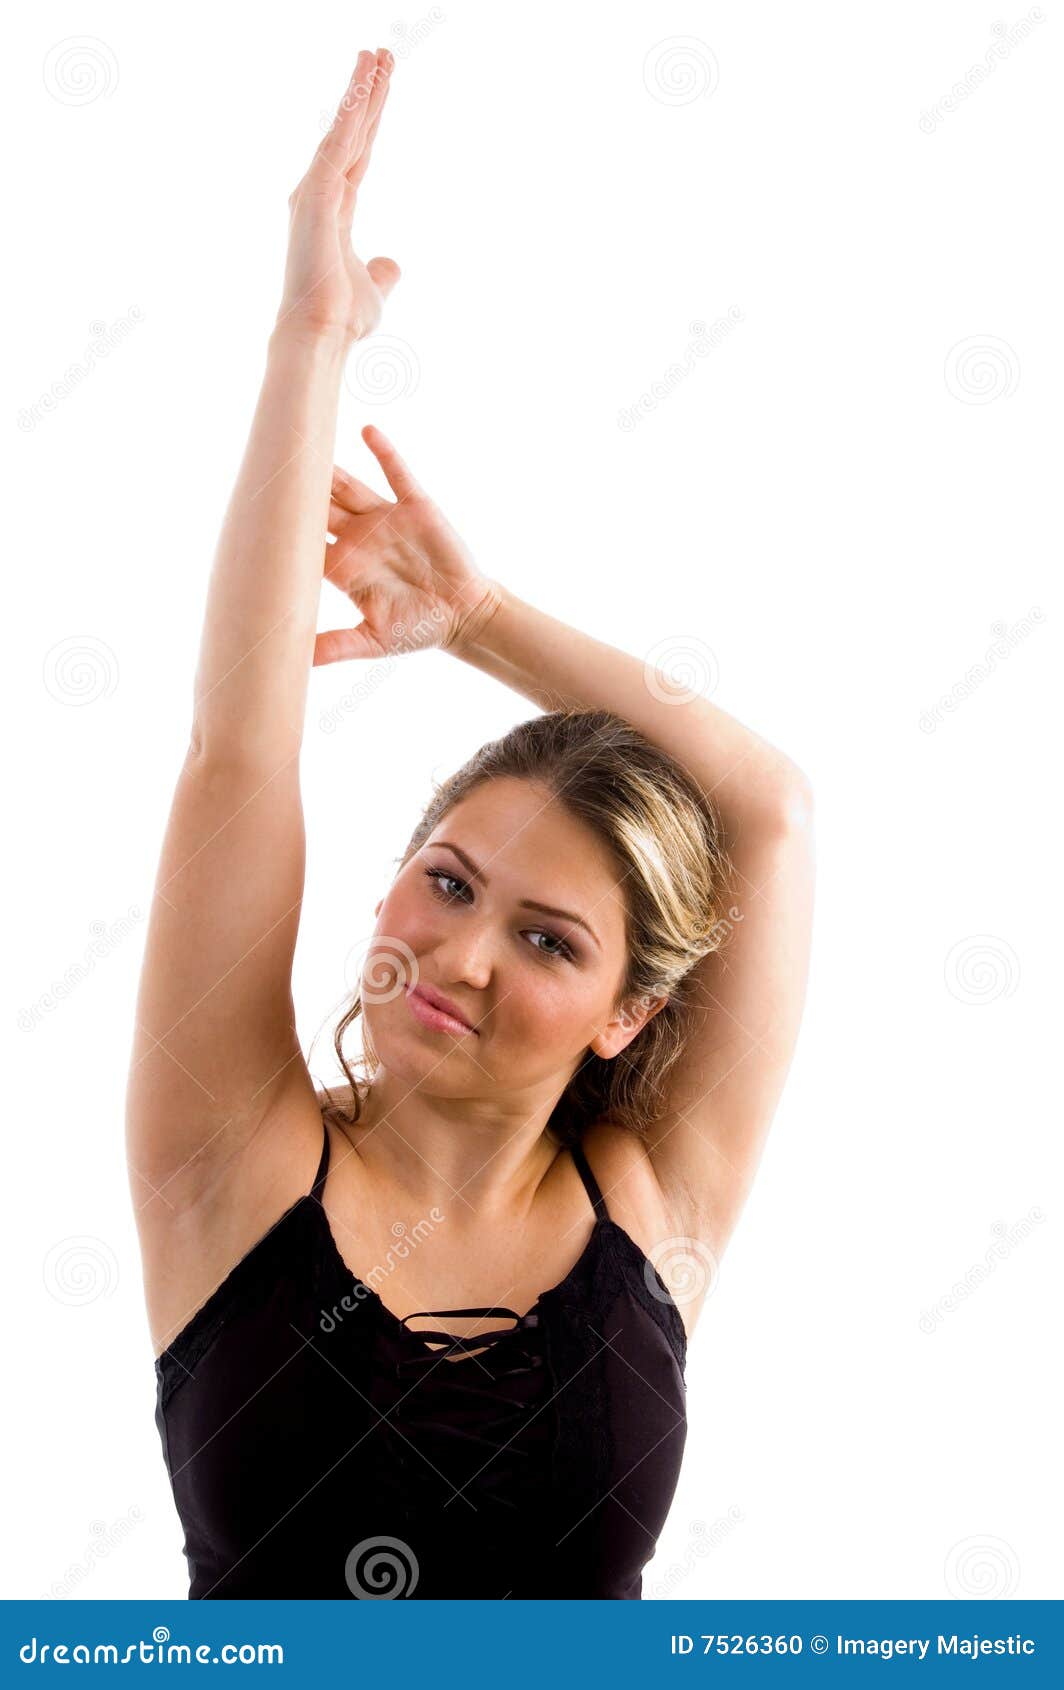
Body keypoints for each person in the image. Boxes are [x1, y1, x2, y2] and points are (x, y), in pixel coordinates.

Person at [126, 47, 816, 1600]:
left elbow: (768, 807)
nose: (462, 947)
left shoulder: (653, 1208)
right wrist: (312, 339)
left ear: (633, 1015)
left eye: (550, 937)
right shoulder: (231, 1165)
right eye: (447, 879)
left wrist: (478, 614)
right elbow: (241, 752)